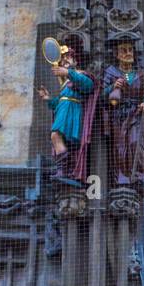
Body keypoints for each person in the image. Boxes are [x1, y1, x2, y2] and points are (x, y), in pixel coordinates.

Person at [37, 42, 97, 186]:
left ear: (75, 61)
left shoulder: (80, 74)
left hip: (73, 111)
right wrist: (48, 99)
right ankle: (65, 170)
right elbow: (58, 103)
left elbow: (88, 86)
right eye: (62, 59)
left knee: (55, 136)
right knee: (59, 138)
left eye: (68, 57)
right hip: (63, 111)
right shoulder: (65, 84)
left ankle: (63, 170)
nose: (65, 60)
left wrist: (69, 73)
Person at [103, 34, 144, 195]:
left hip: (136, 114)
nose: (128, 53)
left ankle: (140, 175)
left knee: (135, 143)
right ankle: (123, 177)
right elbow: (101, 96)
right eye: (123, 50)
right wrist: (112, 87)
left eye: (130, 50)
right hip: (118, 117)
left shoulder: (140, 74)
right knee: (120, 147)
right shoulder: (111, 72)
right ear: (117, 54)